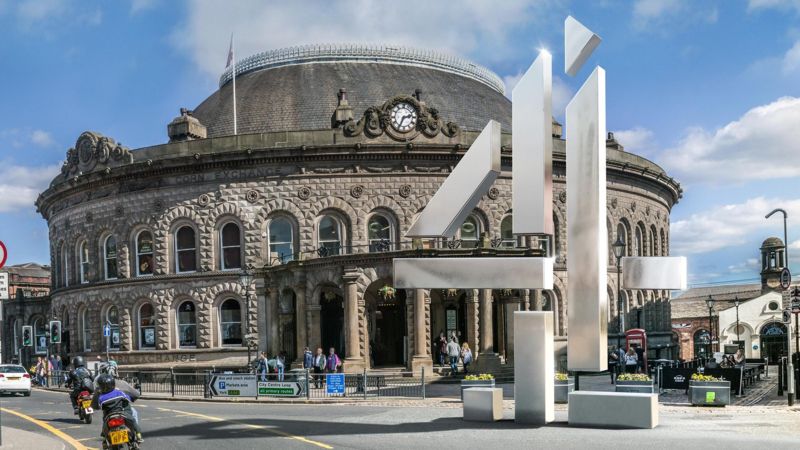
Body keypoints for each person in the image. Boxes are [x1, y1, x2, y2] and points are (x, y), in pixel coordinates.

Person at [92, 373, 143, 444]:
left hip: (109, 416)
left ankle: (104, 439)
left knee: (104, 424)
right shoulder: (120, 390)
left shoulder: (100, 395)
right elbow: (131, 397)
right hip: (123, 413)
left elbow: (98, 406)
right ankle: (138, 434)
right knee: (133, 417)